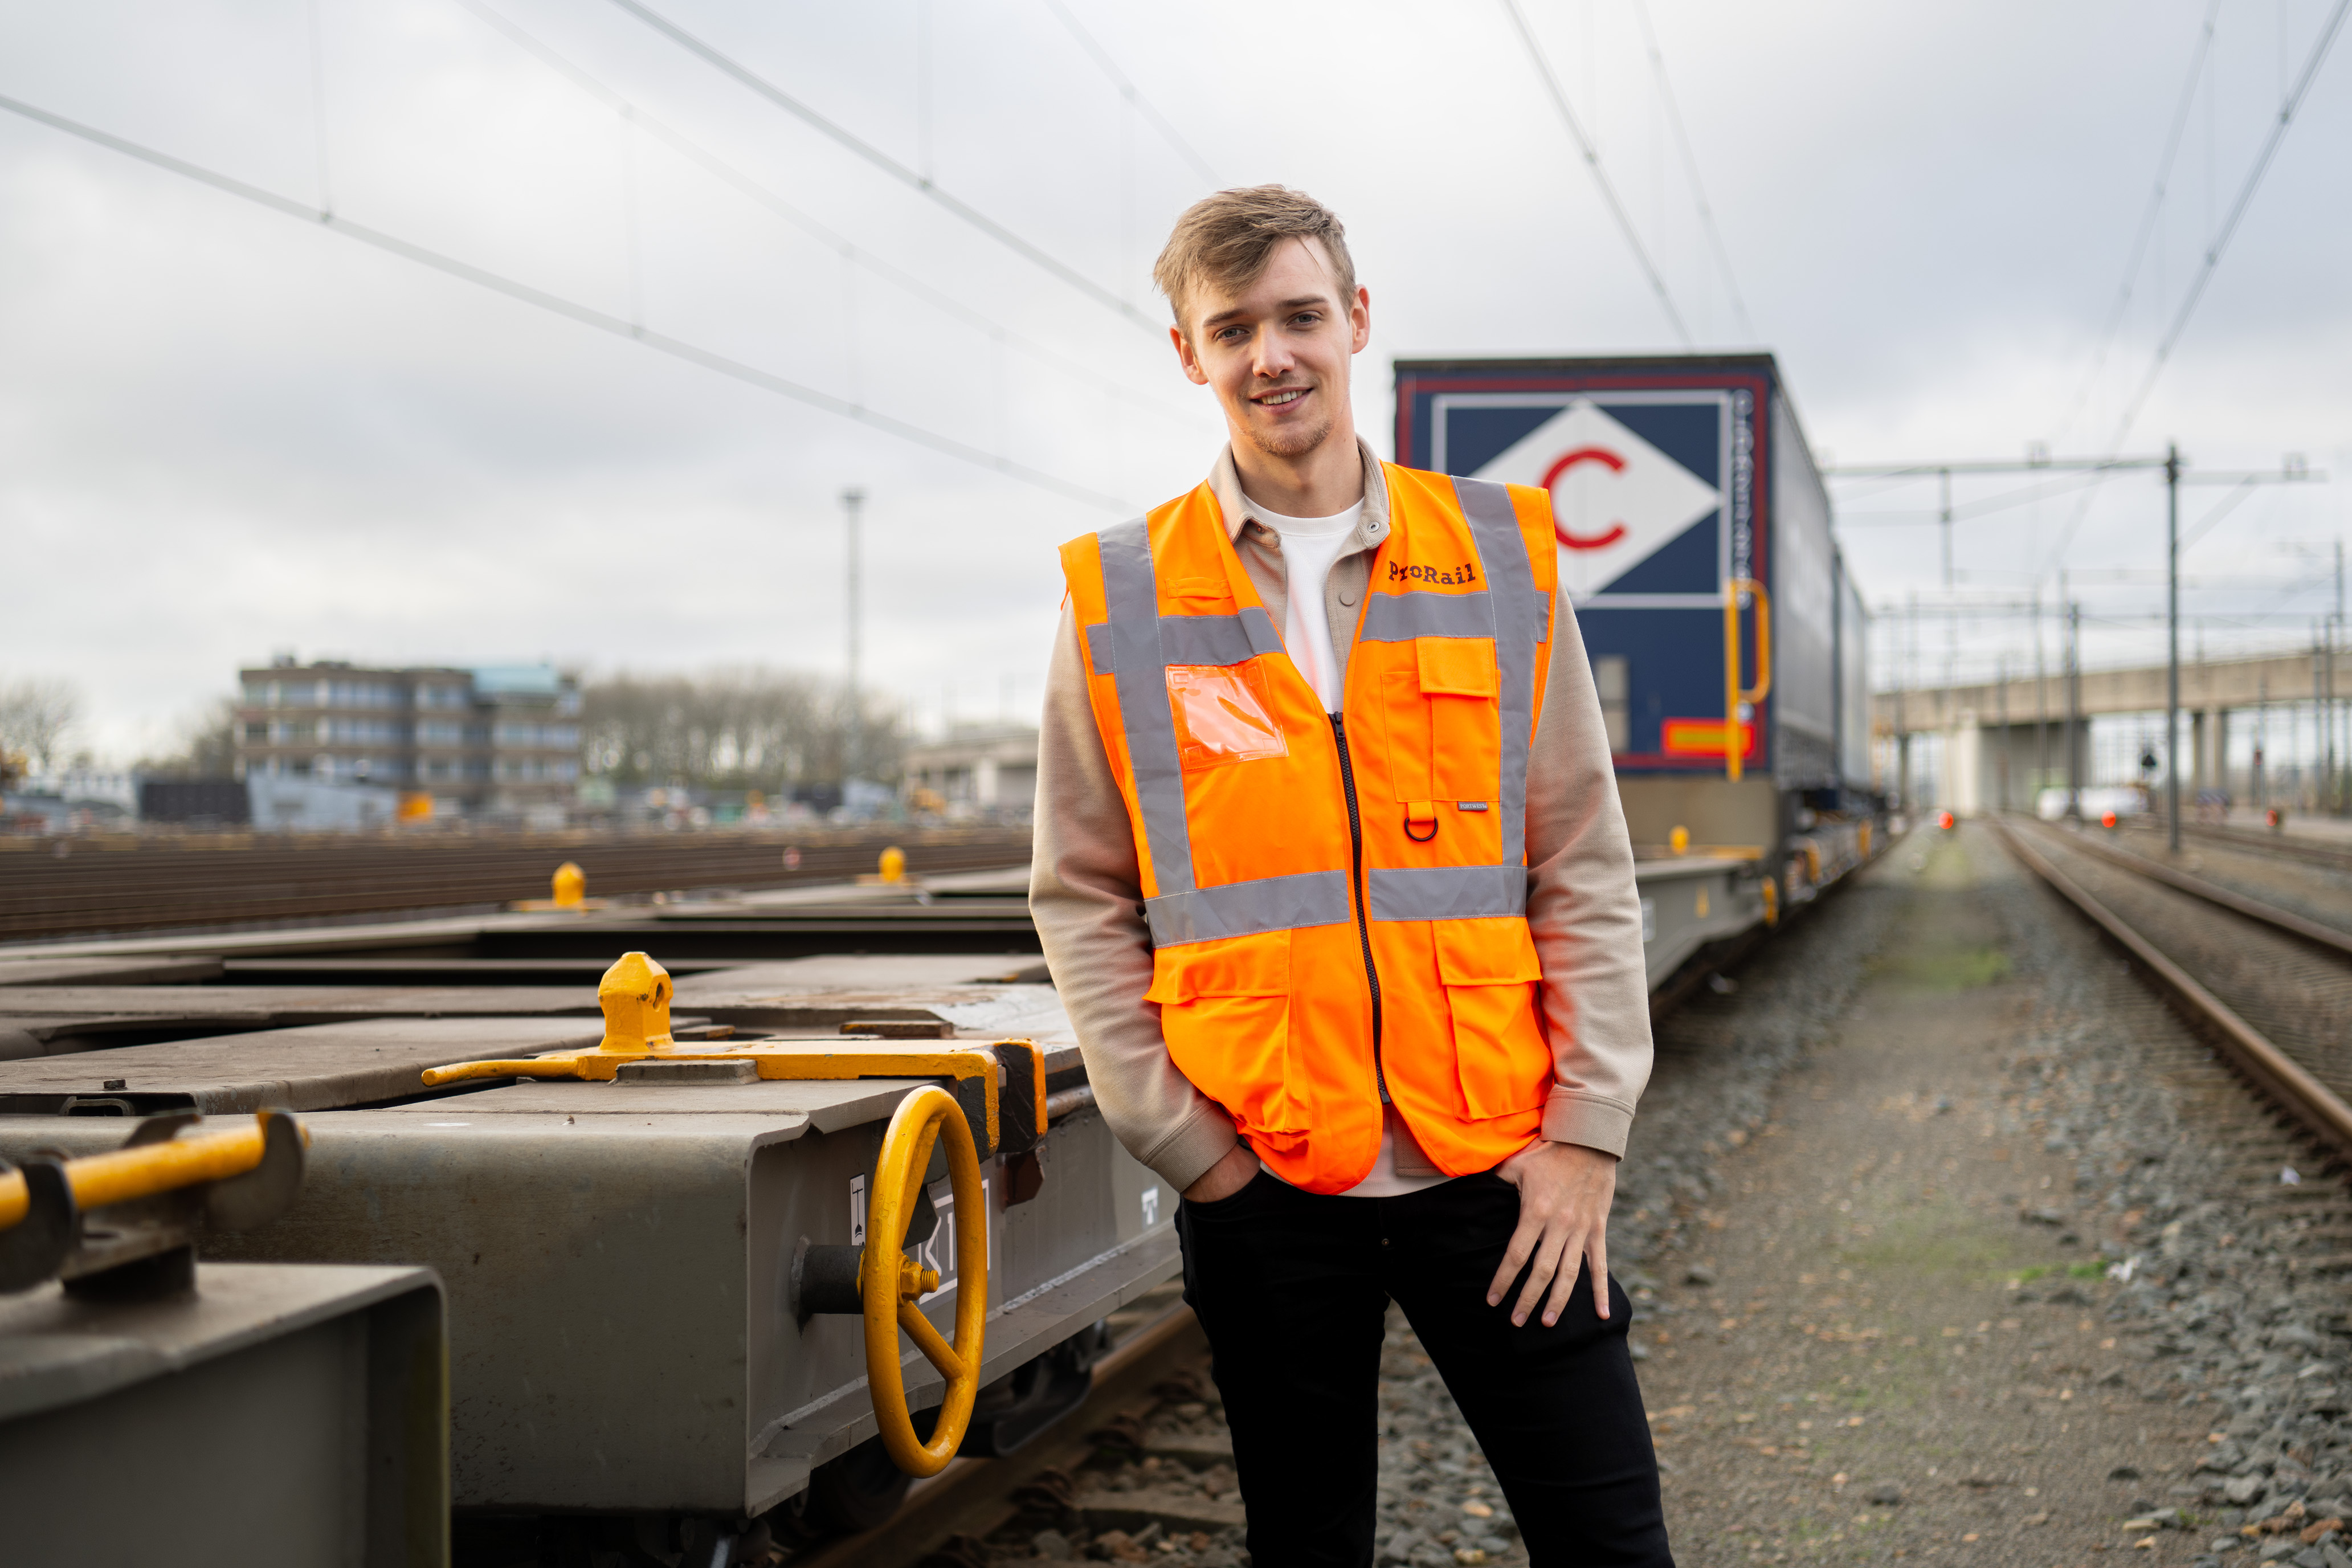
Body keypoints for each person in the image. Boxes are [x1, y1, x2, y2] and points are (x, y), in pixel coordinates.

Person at [1030, 186, 1669, 1567]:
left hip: (1498, 1166)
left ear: (1357, 321)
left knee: (1613, 1542)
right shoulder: (1123, 591)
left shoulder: (1500, 552)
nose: (1274, 353)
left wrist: (1588, 1129)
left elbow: (1581, 859)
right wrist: (1188, 1149)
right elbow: (1081, 892)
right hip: (1267, 1182)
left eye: (1301, 316)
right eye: (1234, 327)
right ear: (1190, 355)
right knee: (1307, 1549)